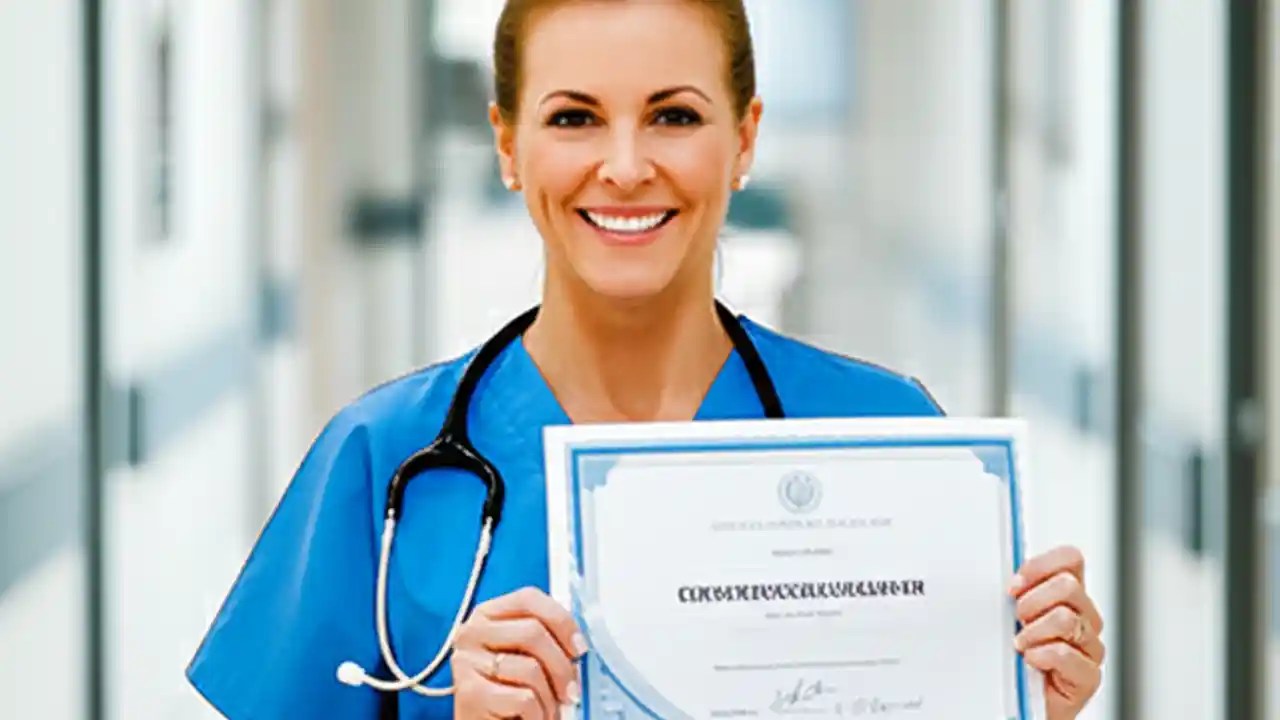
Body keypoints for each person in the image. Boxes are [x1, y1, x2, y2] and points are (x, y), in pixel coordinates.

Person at [186, 0, 1106, 718]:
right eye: (575, 119)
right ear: (509, 144)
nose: (625, 167)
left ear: (743, 139)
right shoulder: (384, 457)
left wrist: (1028, 706)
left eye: (672, 116)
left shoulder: (889, 437)